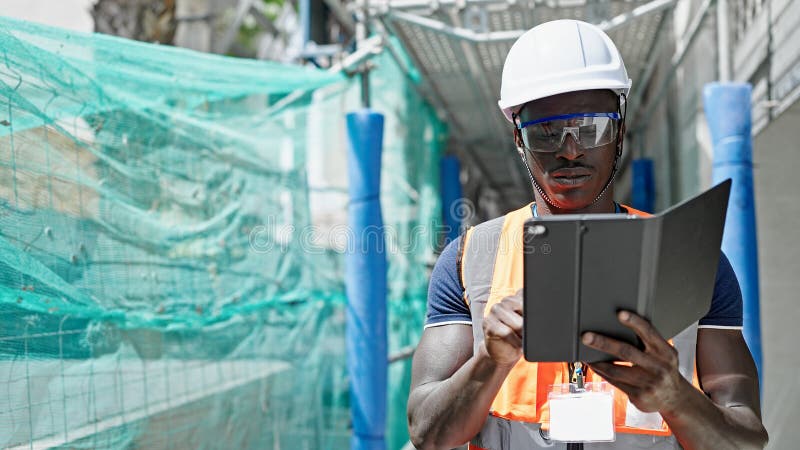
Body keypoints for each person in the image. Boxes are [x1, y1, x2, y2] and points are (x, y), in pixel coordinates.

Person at [406, 19, 768, 450]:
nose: (570, 149)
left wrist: (677, 398)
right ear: (517, 139)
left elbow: (746, 441)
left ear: (621, 128)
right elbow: (427, 434)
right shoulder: (471, 258)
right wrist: (487, 360)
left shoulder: (686, 259)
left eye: (591, 127)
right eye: (546, 132)